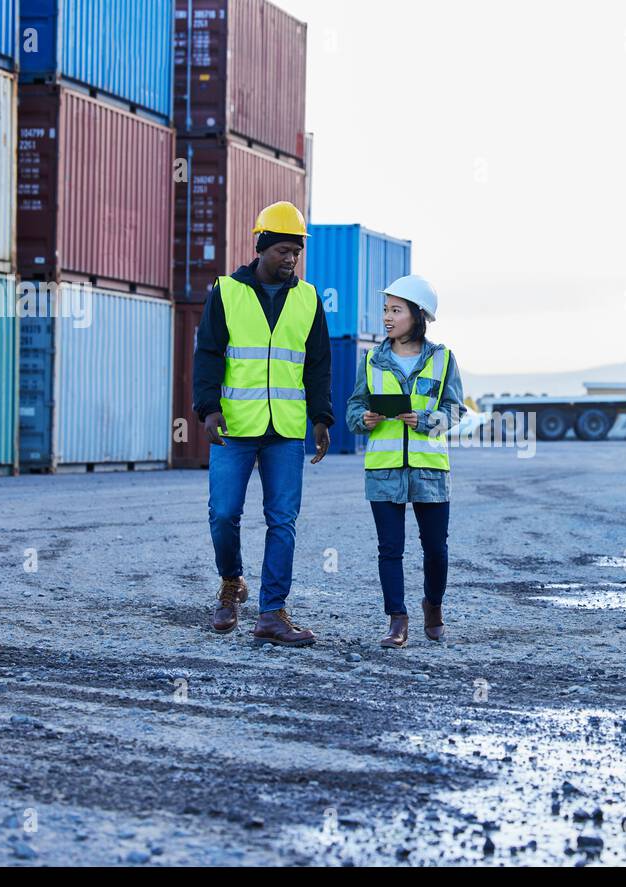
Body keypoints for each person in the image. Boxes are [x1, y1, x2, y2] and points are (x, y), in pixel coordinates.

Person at [191, 201, 333, 648]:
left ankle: (272, 613)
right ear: (261, 247)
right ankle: (232, 583)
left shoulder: (308, 299)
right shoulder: (226, 293)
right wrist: (207, 408)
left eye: (297, 252)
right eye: (283, 251)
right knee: (224, 514)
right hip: (235, 425)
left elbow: (319, 365)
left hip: (286, 430)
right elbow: (208, 353)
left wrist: (322, 417)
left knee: (282, 521)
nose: (291, 259)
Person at [346, 275, 464, 648]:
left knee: (436, 547)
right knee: (389, 549)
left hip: (430, 471)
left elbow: (456, 410)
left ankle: (433, 606)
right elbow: (353, 407)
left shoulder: (443, 359)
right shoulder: (371, 360)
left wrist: (427, 421)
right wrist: (363, 420)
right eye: (385, 310)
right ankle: (397, 619)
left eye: (395, 310)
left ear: (417, 315)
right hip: (383, 470)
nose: (387, 318)